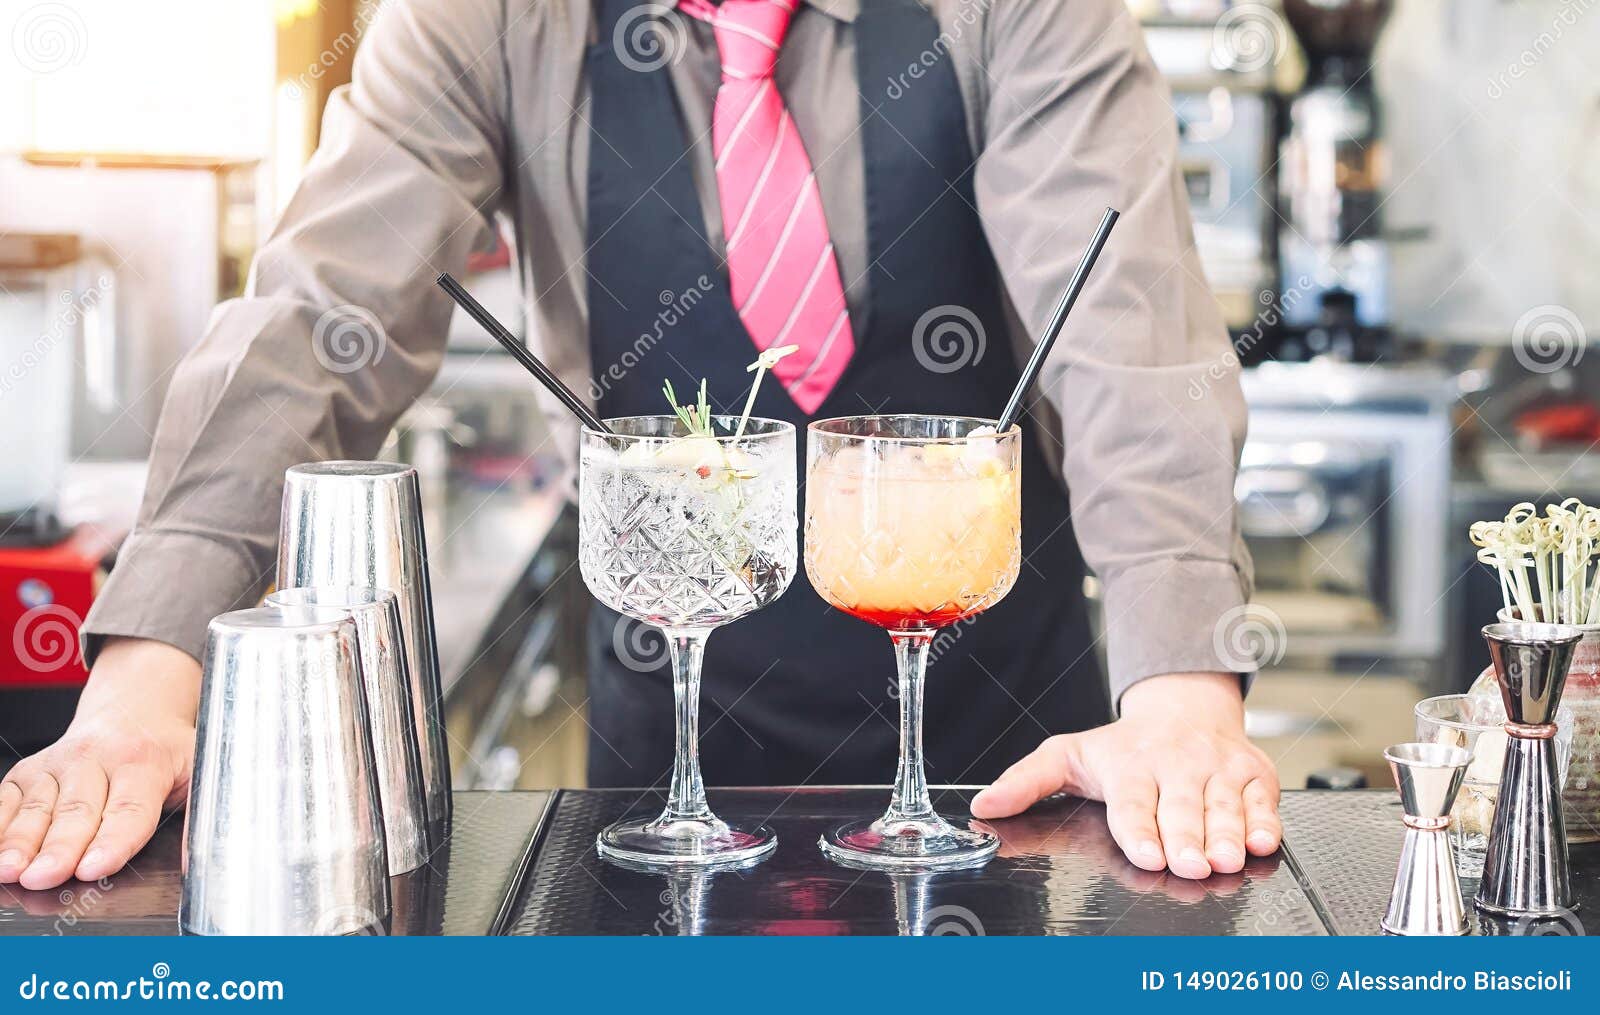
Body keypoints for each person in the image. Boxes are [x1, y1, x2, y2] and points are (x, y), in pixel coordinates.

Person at [0, 0, 1279, 892]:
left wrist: (1177, 706)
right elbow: (318, 322)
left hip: (1010, 748)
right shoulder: (483, 16)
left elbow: (1127, 330)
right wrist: (146, 687)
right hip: (669, 736)